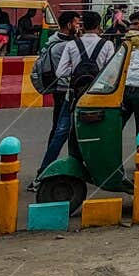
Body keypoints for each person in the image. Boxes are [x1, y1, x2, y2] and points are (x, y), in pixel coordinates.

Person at [33, 11, 112, 185]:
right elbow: (110, 73)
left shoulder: (72, 45)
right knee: (97, 134)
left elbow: (60, 72)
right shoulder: (107, 45)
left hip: (73, 95)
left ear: (83, 26)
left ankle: (42, 175)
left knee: (61, 133)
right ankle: (100, 174)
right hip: (96, 97)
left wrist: (76, 76)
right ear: (99, 26)